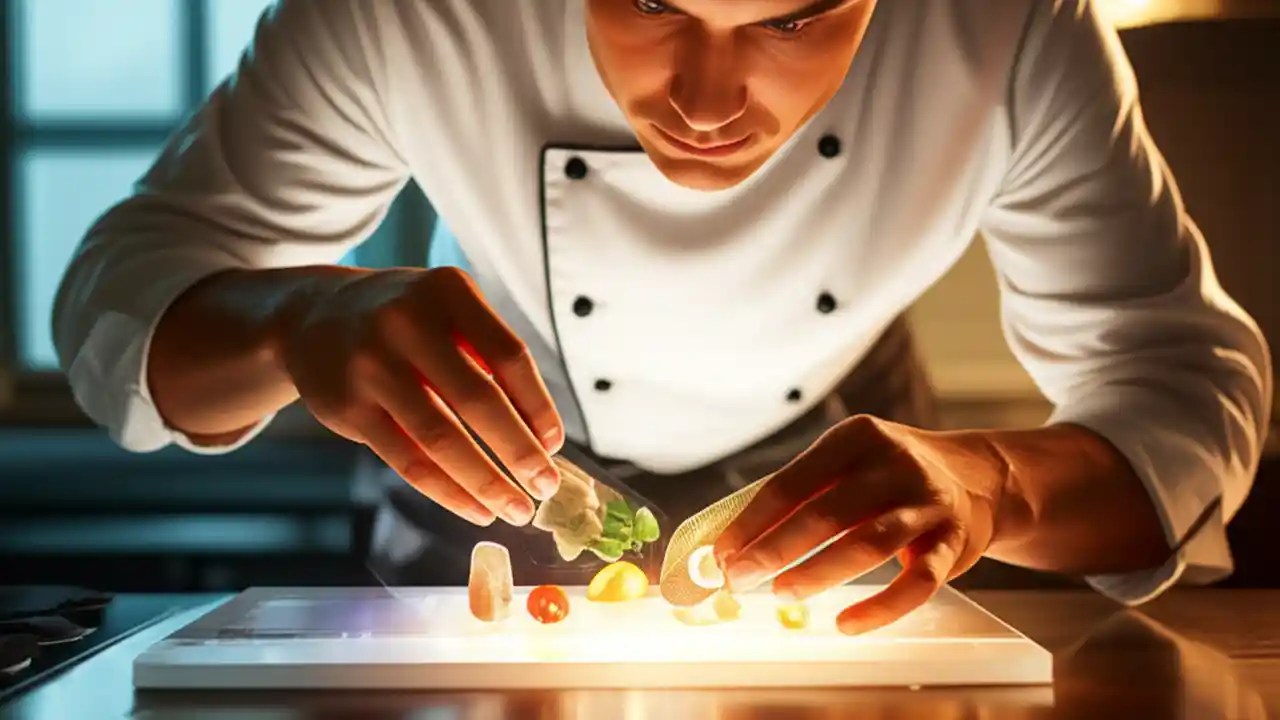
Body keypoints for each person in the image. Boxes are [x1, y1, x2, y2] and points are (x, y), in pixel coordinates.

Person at [54, 0, 1270, 634]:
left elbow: (1184, 389)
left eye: (792, 20)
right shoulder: (404, 13)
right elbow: (115, 301)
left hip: (844, 500)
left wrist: (990, 485)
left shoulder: (1010, 30)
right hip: (468, 525)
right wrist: (292, 322)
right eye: (647, 1)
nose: (703, 100)